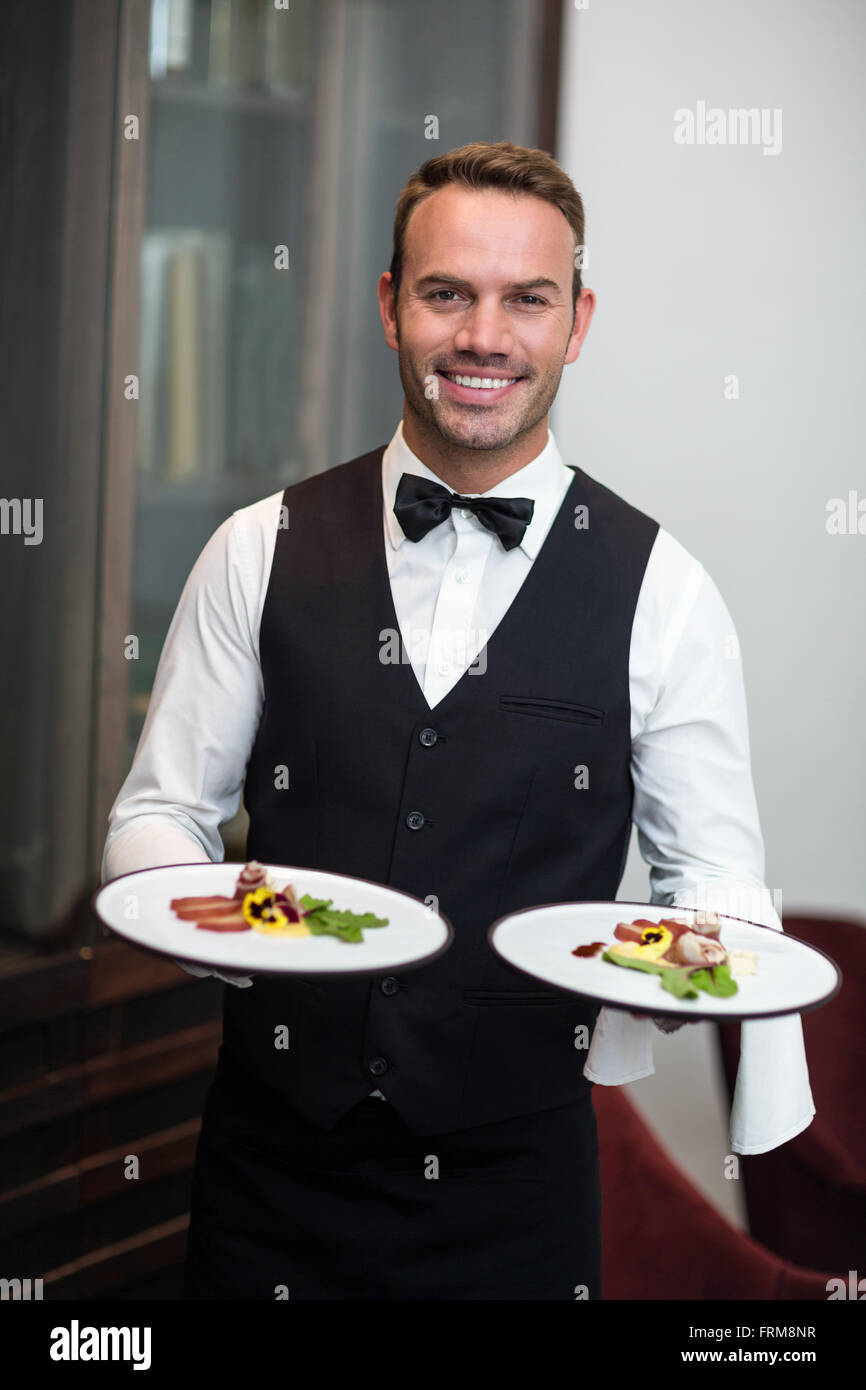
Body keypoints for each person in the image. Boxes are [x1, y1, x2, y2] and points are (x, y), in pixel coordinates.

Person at [101, 141, 813, 1301]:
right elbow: (156, 818)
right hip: (270, 1174)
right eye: (446, 293)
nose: (483, 335)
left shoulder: (662, 590)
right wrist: (230, 927)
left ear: (575, 322)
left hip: (512, 1206)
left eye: (525, 299)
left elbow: (713, 895)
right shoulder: (257, 546)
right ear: (391, 307)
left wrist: (672, 964)